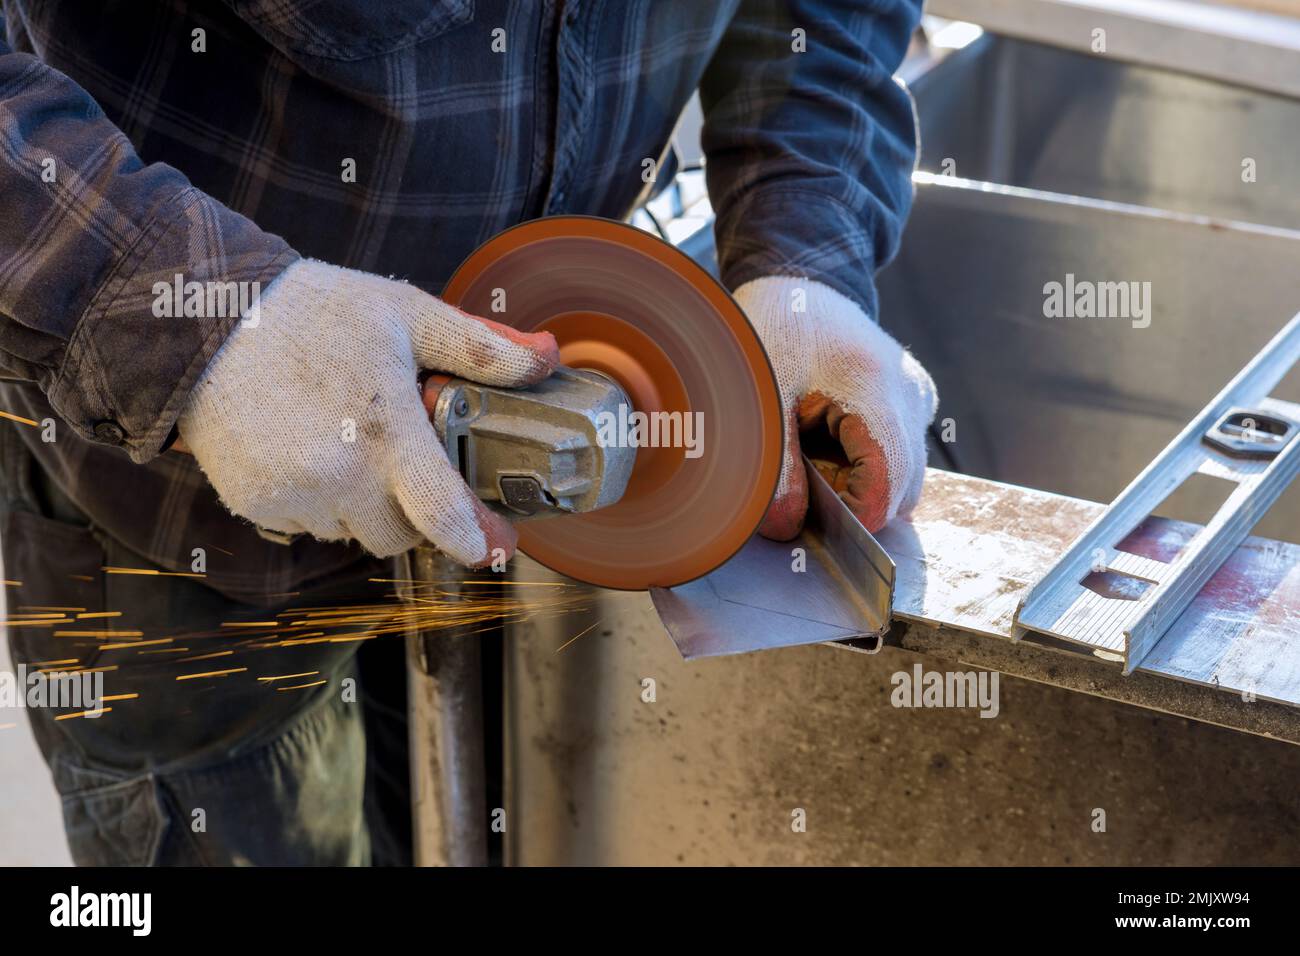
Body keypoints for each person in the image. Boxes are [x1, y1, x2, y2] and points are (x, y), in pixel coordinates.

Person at [0, 0, 936, 865]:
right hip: (187, 523)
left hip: (520, 547)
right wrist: (183, 318)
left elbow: (827, 20)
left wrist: (806, 248)